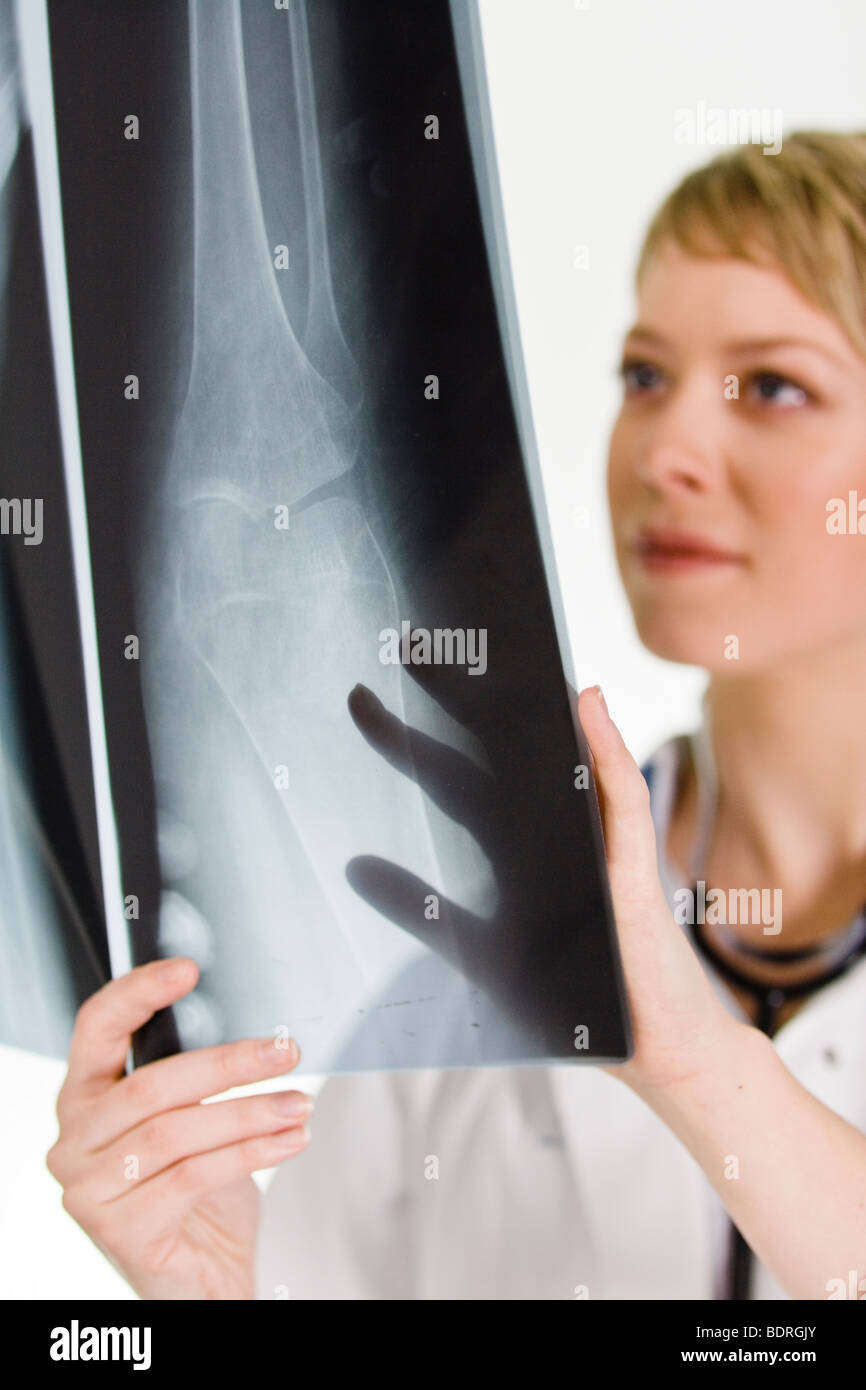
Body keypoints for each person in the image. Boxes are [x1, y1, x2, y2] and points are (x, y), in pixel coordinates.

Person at [47, 131, 866, 1301]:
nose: (667, 449)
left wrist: (689, 1057)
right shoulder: (462, 996)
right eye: (643, 376)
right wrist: (233, 1281)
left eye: (772, 386)